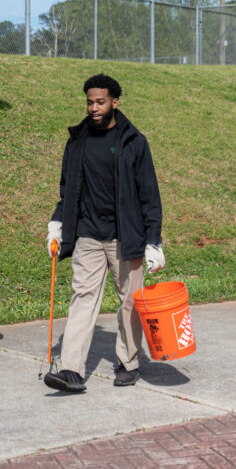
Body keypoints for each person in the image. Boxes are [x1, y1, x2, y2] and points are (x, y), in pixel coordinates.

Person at [44, 74, 165, 392]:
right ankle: (71, 369)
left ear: (115, 102)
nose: (94, 107)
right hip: (87, 233)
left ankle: (128, 363)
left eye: (100, 101)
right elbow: (67, 189)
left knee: (129, 302)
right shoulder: (78, 140)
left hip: (127, 236)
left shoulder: (133, 141)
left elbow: (149, 195)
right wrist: (57, 223)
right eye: (89, 102)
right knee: (82, 297)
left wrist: (154, 241)